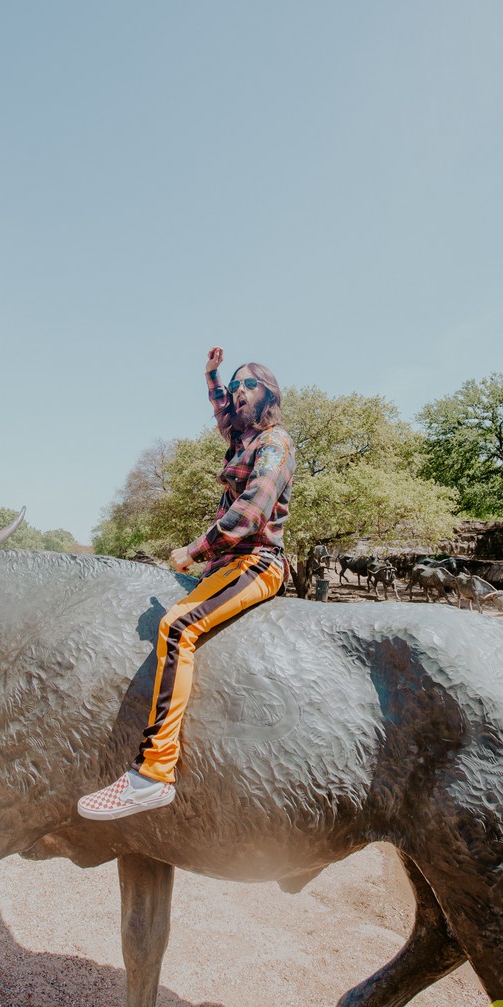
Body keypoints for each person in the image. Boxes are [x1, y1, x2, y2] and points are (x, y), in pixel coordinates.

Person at [77, 346, 295, 821]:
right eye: (235, 388)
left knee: (178, 627)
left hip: (256, 563)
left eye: (248, 386)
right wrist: (213, 376)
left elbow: (253, 508)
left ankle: (152, 775)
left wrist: (196, 549)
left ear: (269, 395)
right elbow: (222, 411)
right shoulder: (240, 437)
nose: (238, 394)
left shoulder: (274, 444)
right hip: (227, 566)